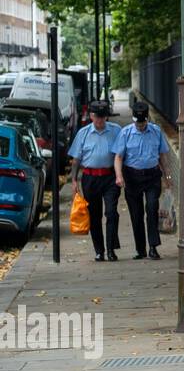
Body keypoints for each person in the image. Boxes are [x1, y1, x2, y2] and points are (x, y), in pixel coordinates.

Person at [114, 101, 172, 260]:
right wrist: (119, 176)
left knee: (152, 207)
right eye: (137, 123)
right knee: (136, 213)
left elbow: (162, 156)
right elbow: (118, 157)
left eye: (142, 123)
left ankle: (153, 247)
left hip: (152, 176)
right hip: (132, 176)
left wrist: (167, 177)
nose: (140, 126)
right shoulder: (125, 133)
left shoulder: (156, 132)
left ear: (147, 119)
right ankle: (140, 249)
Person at [69, 100, 122, 262]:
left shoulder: (116, 131)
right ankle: (99, 250)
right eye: (97, 117)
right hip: (90, 178)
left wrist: (121, 175)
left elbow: (121, 155)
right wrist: (73, 180)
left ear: (107, 117)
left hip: (110, 177)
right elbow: (76, 159)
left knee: (111, 213)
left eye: (103, 117)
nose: (100, 121)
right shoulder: (83, 133)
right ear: (91, 116)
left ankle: (112, 249)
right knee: (95, 215)